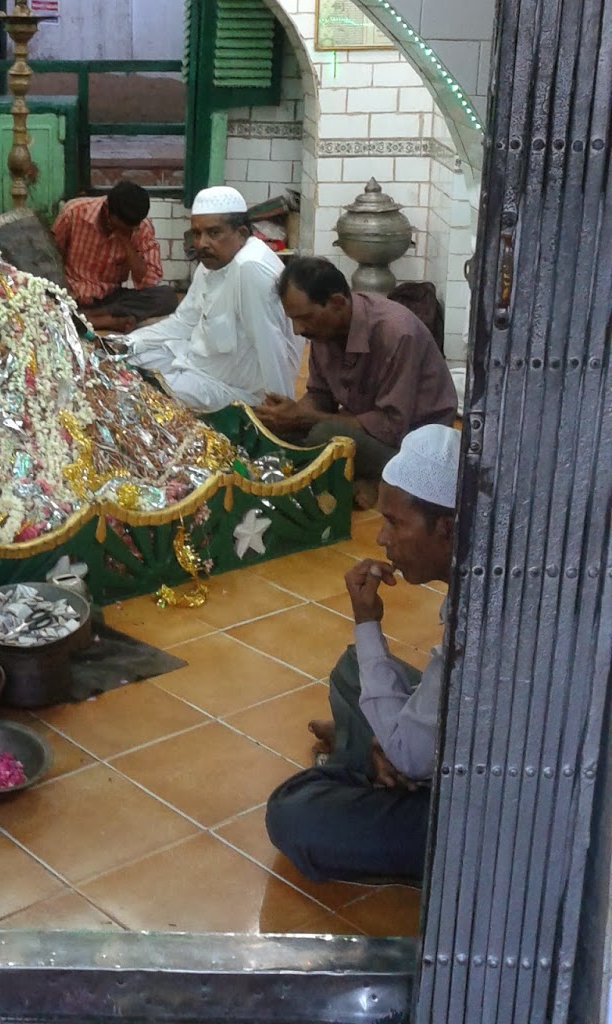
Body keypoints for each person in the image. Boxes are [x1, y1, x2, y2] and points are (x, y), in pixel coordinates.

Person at [264, 423, 459, 883]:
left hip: (476, 817)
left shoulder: (481, 620)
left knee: (292, 812)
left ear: (445, 528)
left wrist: (368, 620)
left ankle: (368, 759)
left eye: (395, 522)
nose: (381, 540)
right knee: (354, 667)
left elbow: (418, 751)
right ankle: (375, 747)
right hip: (451, 748)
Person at [253, 255, 457, 483]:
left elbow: (391, 427)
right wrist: (288, 415)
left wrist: (306, 418)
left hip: (415, 448)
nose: (298, 329)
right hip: (367, 428)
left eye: (305, 318)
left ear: (338, 303)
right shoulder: (324, 331)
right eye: (292, 319)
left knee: (324, 435)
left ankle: (376, 485)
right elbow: (320, 396)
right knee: (268, 428)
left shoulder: (396, 332)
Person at [122, 186, 302, 413]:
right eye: (197, 234)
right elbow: (184, 322)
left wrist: (281, 410)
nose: (201, 244)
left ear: (242, 234)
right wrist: (128, 343)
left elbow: (272, 345)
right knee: (124, 359)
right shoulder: (213, 262)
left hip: (233, 388)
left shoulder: (249, 267)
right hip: (196, 361)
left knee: (144, 397)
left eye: (214, 233)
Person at [51, 179, 179, 332]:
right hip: (72, 294)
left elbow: (149, 281)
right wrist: (65, 290)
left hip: (110, 299)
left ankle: (87, 317)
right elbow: (51, 258)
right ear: (107, 210)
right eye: (122, 226)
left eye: (132, 228)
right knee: (40, 301)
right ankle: (106, 321)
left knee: (167, 297)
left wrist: (125, 241)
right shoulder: (73, 212)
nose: (130, 231)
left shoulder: (141, 227)